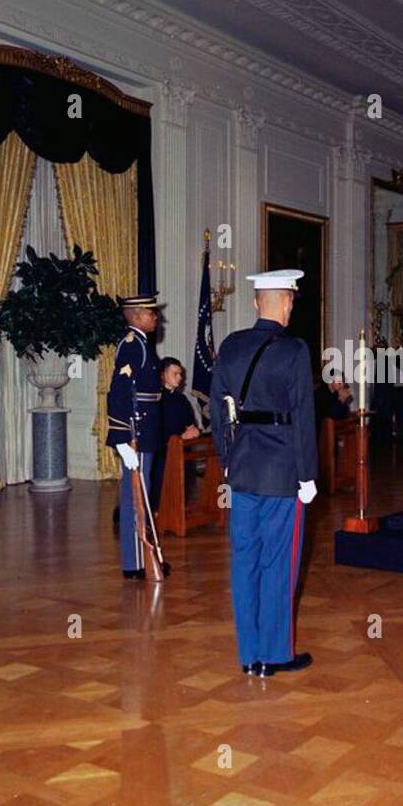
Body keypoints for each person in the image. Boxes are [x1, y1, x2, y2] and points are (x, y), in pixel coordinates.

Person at [210, 269, 318, 677]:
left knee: (244, 560)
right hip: (281, 472)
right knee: (278, 561)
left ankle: (249, 655)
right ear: (287, 302)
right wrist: (307, 476)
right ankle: (274, 654)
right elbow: (303, 416)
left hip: (241, 469)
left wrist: (225, 457)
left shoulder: (232, 345)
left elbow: (217, 409)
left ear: (257, 302)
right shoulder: (294, 350)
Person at [105, 293, 168, 580]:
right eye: (151, 313)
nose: (156, 317)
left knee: (144, 490)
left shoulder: (143, 344)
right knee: (135, 495)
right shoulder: (132, 345)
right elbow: (119, 391)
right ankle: (135, 563)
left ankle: (142, 558)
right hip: (136, 430)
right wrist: (121, 437)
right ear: (135, 316)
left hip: (147, 427)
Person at [148, 357, 201, 510]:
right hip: (161, 452)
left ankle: (177, 509)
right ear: (163, 375)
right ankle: (158, 509)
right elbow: (157, 429)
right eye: (175, 373)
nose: (180, 377)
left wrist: (193, 431)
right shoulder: (155, 398)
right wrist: (180, 437)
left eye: (180, 374)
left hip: (180, 449)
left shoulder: (181, 399)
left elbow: (190, 424)